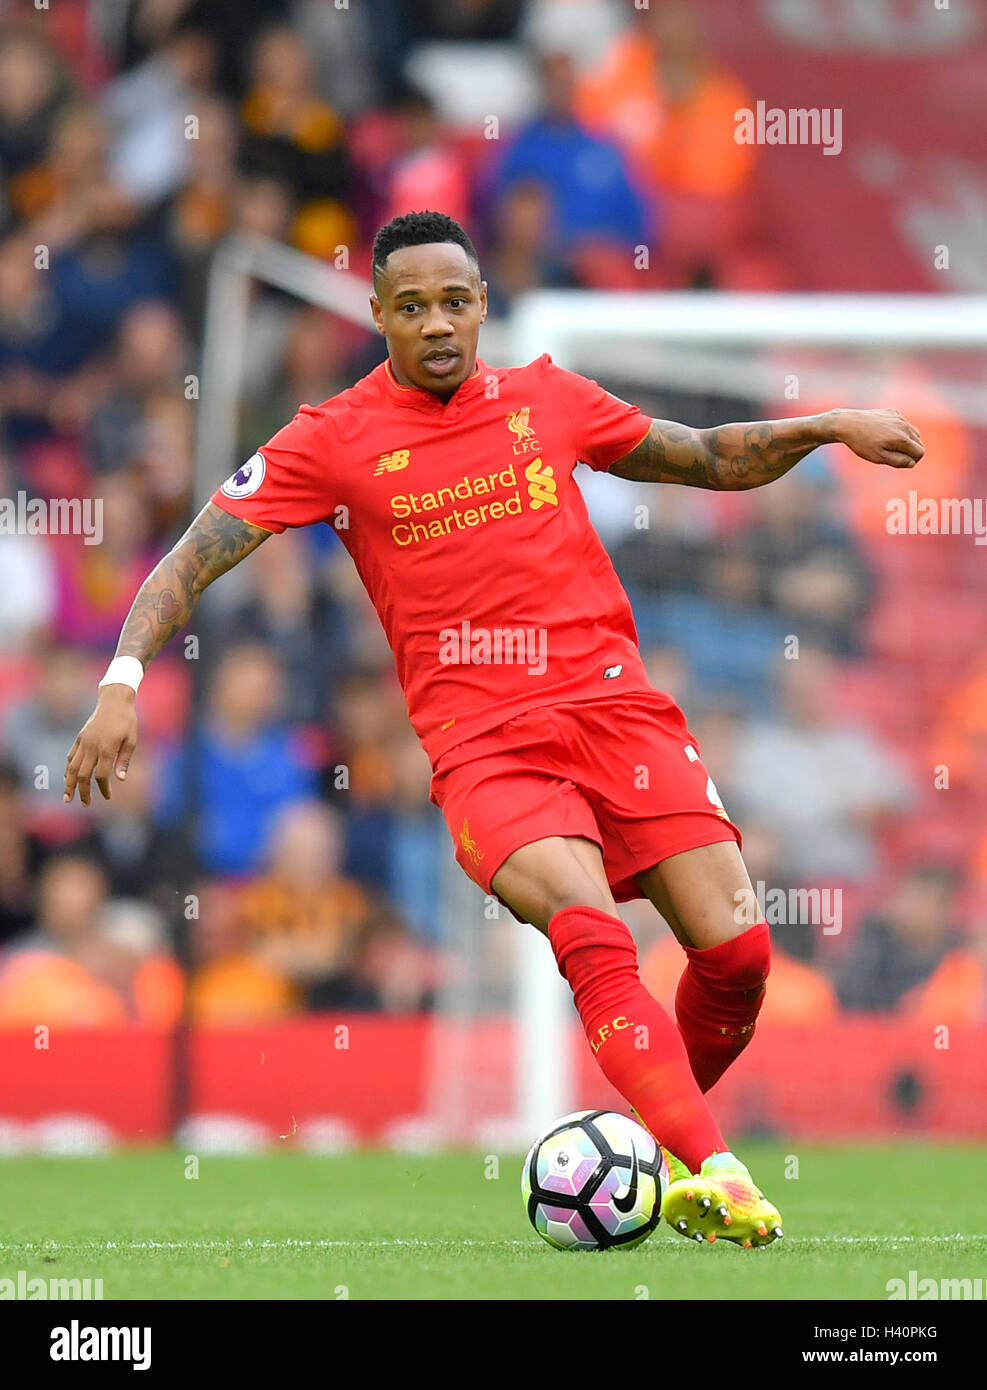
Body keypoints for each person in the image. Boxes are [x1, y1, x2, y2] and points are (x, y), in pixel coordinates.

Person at [64, 210, 924, 1248]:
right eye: (413, 305)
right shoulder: (330, 440)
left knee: (738, 954)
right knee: (590, 932)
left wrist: (827, 425)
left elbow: (702, 456)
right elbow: (193, 554)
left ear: (482, 306)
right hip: (487, 745)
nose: (437, 323)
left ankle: (643, 1150)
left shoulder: (547, 398)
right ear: (378, 314)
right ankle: (719, 1169)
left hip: (617, 710)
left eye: (456, 301)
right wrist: (121, 678)